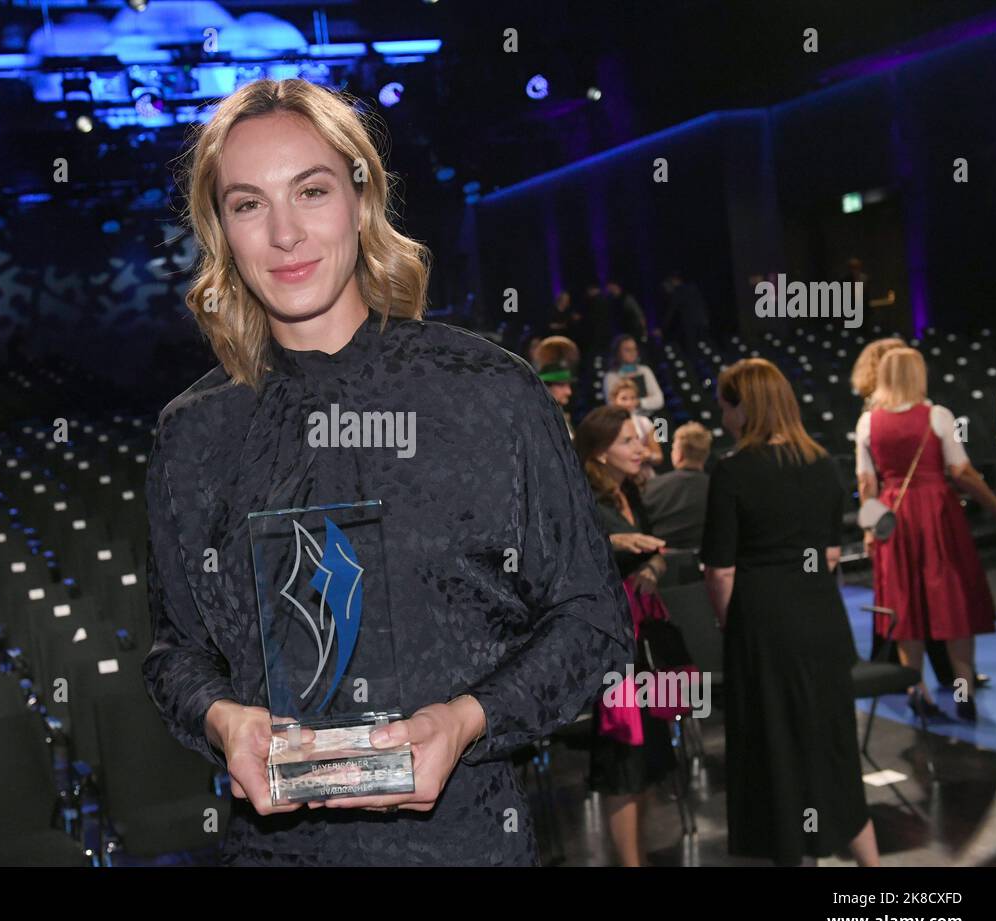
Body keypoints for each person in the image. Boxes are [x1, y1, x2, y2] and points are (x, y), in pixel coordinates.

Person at [141, 77, 633, 866]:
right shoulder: (192, 435)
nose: (285, 233)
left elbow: (594, 621)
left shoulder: (493, 394)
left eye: (311, 191)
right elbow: (176, 654)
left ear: (361, 197)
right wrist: (222, 719)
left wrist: (466, 720)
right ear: (221, 231)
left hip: (469, 845)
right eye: (248, 204)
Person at [701, 358, 879, 867]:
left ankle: (797, 854)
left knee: (778, 752)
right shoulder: (823, 462)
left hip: (765, 627)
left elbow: (720, 572)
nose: (723, 418)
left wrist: (731, 624)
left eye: (726, 407)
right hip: (823, 619)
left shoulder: (732, 470)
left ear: (745, 409)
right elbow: (830, 554)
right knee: (832, 749)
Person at [855, 348, 996, 721]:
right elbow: (961, 472)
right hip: (937, 516)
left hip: (893, 517)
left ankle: (918, 691)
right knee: (953, 601)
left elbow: (866, 483)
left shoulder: (867, 422)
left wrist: (870, 530)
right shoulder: (938, 416)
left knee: (904, 604)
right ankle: (962, 690)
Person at [576, 406, 674, 866]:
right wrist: (617, 544)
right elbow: (573, 555)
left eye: (639, 439)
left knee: (650, 752)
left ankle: (642, 857)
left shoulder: (632, 490)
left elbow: (658, 550)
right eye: (628, 441)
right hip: (610, 643)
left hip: (646, 634)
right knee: (623, 755)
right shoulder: (582, 496)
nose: (641, 448)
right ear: (600, 452)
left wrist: (653, 567)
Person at [643, 421, 712, 552]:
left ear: (679, 455)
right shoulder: (718, 489)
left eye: (673, 448)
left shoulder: (651, 487)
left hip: (661, 557)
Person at [609, 378, 663, 478]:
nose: (629, 403)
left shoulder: (644, 422)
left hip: (646, 476)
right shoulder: (607, 425)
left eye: (633, 398)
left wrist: (649, 456)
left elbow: (658, 457)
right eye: (624, 398)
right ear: (614, 400)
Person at [603, 335, 663, 413]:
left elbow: (659, 400)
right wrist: (646, 400)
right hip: (624, 417)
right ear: (617, 353)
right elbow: (612, 406)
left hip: (650, 416)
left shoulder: (644, 370)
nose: (633, 353)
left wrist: (639, 402)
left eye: (634, 349)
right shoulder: (611, 376)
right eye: (627, 350)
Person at [659, 272, 710, 356]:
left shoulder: (679, 291)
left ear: (674, 280)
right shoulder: (693, 287)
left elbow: (671, 311)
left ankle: (697, 362)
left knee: (693, 348)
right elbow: (703, 304)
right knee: (704, 345)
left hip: (690, 324)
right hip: (702, 321)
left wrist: (662, 328)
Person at [538, 362, 576, 442]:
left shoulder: (561, 412)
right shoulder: (538, 418)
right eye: (562, 386)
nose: (569, 392)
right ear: (545, 386)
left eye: (569, 385)